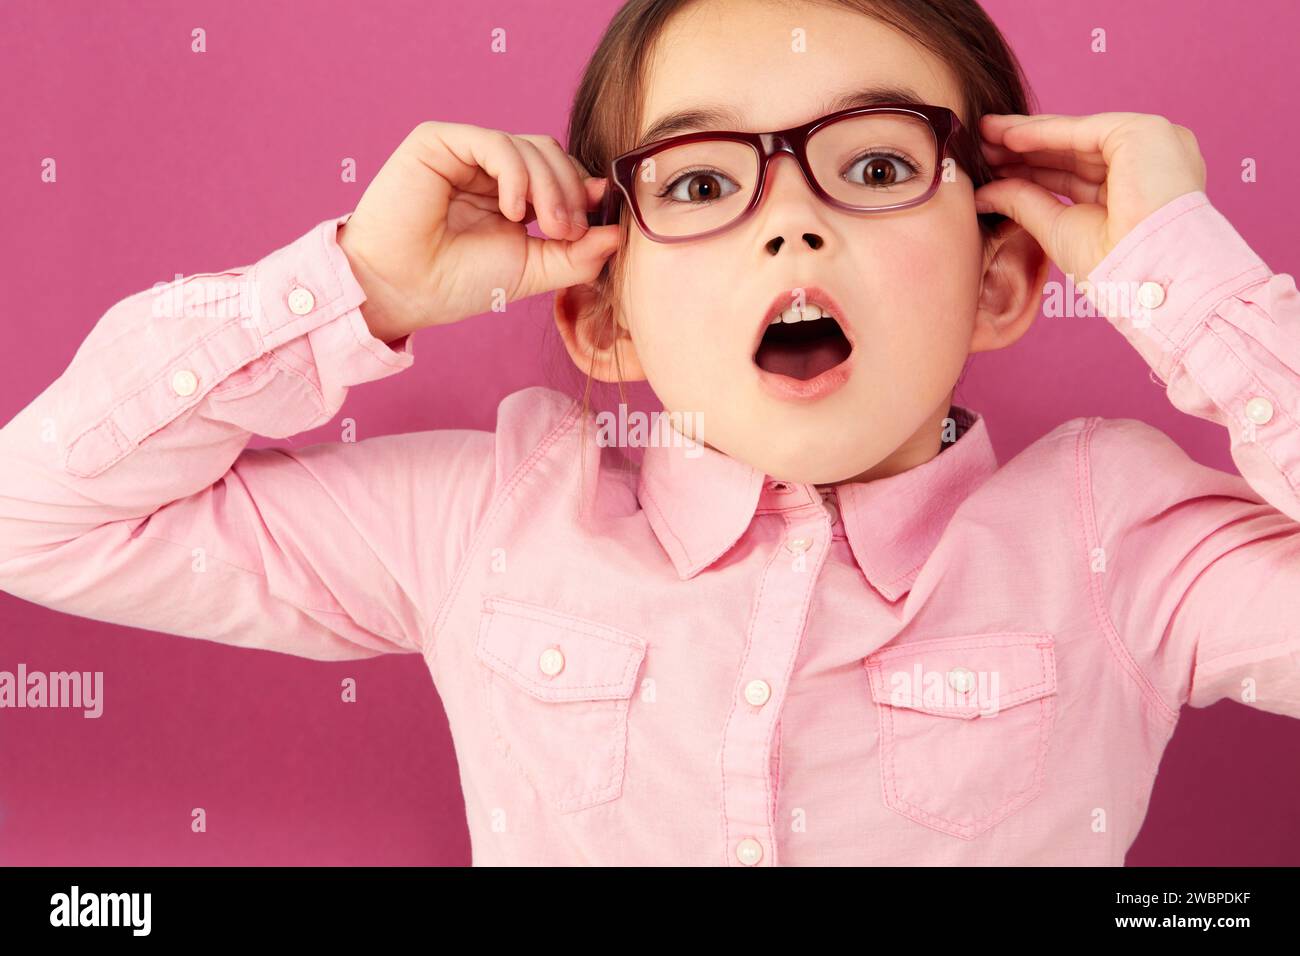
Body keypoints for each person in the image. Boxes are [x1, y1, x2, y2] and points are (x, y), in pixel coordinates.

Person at [1, 0, 1297, 865]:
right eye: (698, 182)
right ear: (603, 325)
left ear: (1001, 280)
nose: (795, 224)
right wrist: (365, 286)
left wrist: (1187, 281)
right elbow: (41, 517)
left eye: (880, 165)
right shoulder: (481, 524)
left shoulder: (1120, 544)